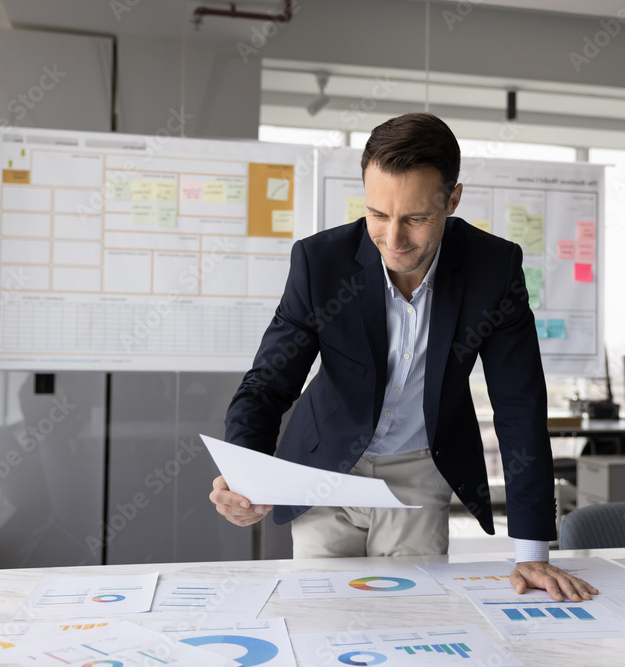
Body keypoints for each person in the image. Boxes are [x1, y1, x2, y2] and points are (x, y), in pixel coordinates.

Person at [210, 112, 597, 602]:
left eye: (416, 218)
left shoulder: (493, 270)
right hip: (326, 470)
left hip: (418, 474)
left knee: (410, 618)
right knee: (321, 615)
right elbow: (267, 384)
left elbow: (519, 406)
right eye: (378, 214)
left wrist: (532, 553)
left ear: (452, 200)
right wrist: (246, 473)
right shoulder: (320, 264)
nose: (393, 240)